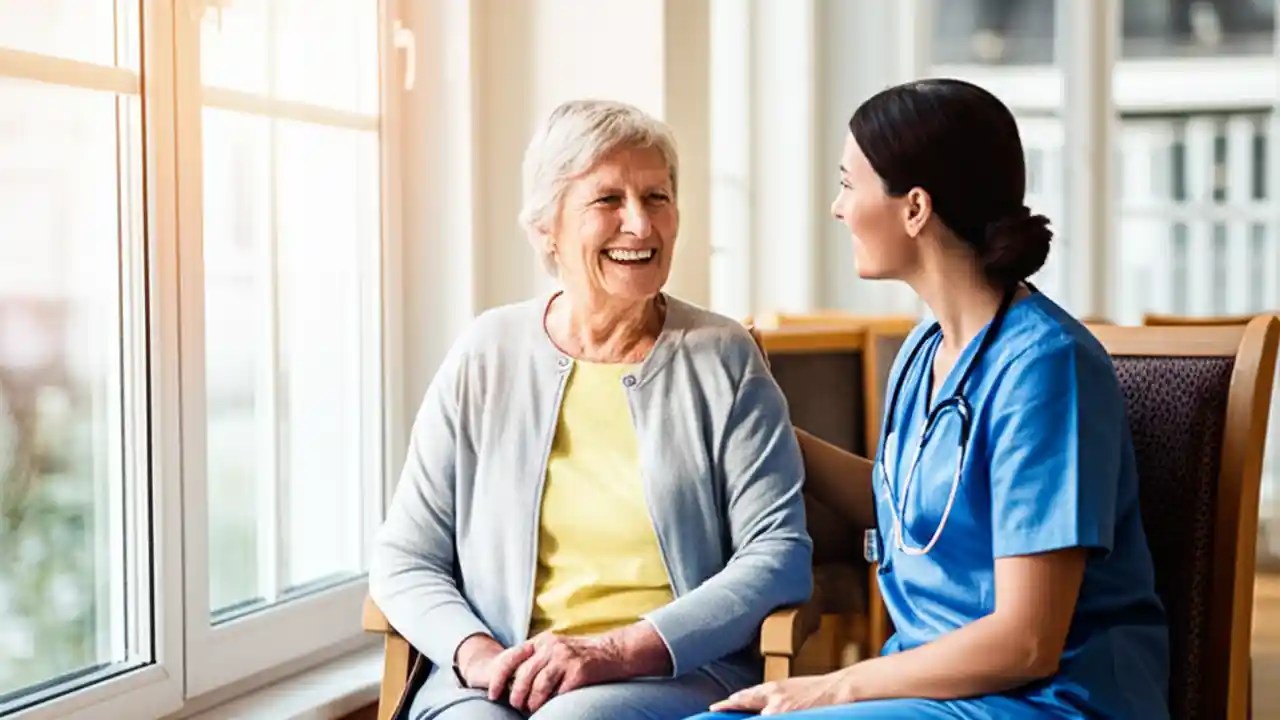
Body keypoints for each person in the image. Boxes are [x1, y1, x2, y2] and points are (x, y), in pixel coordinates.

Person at [694, 79, 1170, 719]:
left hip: (1042, 702)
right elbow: (912, 517)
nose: (837, 208)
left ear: (914, 207)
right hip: (932, 687)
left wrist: (831, 685)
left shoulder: (1046, 368)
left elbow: (1026, 641)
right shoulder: (923, 351)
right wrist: (761, 421)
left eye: (847, 183)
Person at [368, 99, 813, 720]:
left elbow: (778, 555)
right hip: (492, 679)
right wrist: (479, 656)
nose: (640, 224)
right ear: (547, 227)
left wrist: (617, 650)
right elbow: (405, 557)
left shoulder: (723, 358)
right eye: (608, 200)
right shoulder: (486, 353)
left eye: (657, 197)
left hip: (671, 673)